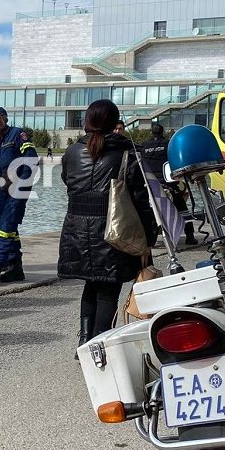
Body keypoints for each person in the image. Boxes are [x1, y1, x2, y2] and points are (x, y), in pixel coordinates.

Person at [59, 100, 157, 351]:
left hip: (76, 229)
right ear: (115, 122)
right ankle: (98, 346)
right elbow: (140, 200)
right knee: (107, 290)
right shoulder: (127, 153)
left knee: (91, 284)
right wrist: (148, 237)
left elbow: (68, 183)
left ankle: (84, 341)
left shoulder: (71, 153)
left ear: (87, 122)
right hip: (112, 229)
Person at [0, 106, 38, 284]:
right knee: (6, 230)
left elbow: (31, 159)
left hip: (17, 189)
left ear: (5, 118)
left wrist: (20, 183)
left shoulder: (17, 134)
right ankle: (16, 267)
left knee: (6, 227)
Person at [141, 123, 197, 245]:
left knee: (150, 211)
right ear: (163, 132)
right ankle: (190, 236)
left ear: (151, 133)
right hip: (169, 182)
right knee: (182, 208)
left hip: (151, 184)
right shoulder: (168, 144)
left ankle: (151, 238)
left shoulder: (144, 147)